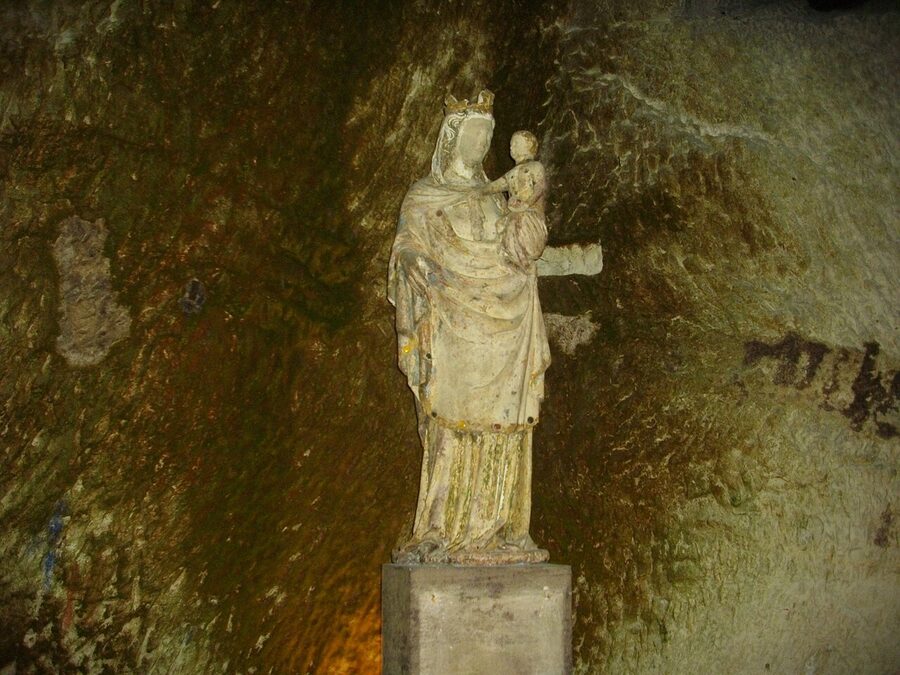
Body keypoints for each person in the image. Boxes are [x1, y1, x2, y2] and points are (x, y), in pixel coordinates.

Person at [387, 90, 551, 564]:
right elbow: (405, 248)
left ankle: (502, 528)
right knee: (450, 420)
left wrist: (528, 210)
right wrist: (416, 261)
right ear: (451, 138)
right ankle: (439, 527)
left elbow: (520, 251)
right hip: (454, 320)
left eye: (487, 136)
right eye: (472, 134)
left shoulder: (500, 198)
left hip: (505, 324)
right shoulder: (424, 196)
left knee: (506, 423)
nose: (480, 144)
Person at [480, 130, 548, 272]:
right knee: (500, 225)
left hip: (530, 217)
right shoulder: (512, 173)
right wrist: (476, 191)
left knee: (516, 222)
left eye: (516, 143)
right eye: (511, 144)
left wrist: (527, 204)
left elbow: (540, 187)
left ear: (529, 145)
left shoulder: (535, 167)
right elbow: (494, 186)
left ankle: (521, 263)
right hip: (514, 215)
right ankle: (512, 261)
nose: (511, 147)